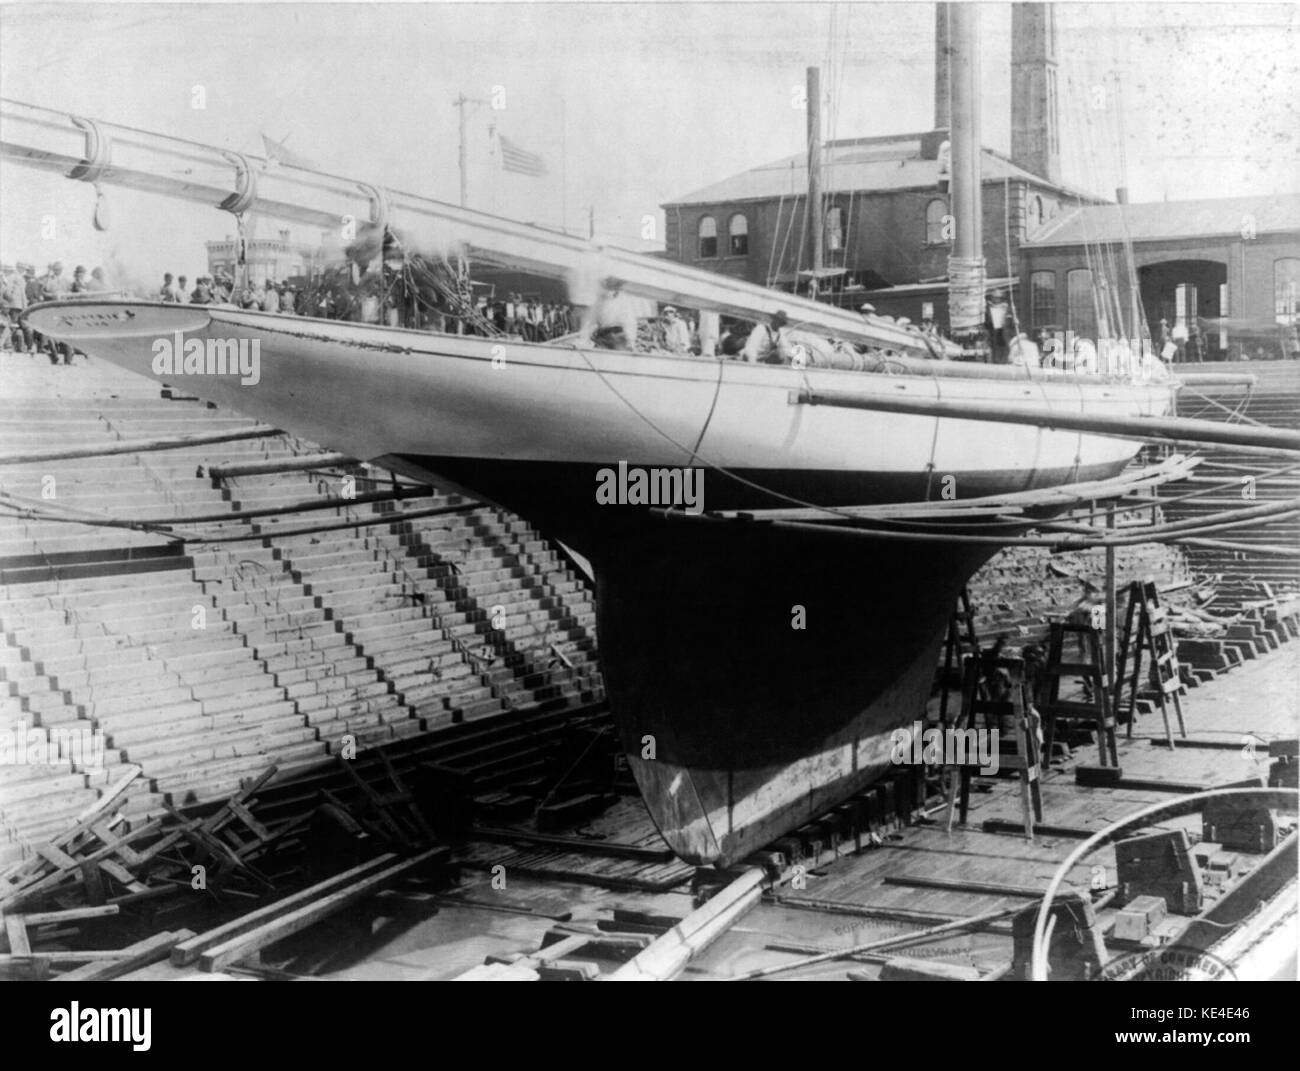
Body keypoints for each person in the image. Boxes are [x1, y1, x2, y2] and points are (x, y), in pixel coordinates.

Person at [581, 277, 639, 350]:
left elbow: (629, 322)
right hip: (602, 336)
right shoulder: (599, 301)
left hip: (618, 336)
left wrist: (630, 340)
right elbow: (589, 320)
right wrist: (585, 337)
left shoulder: (623, 300)